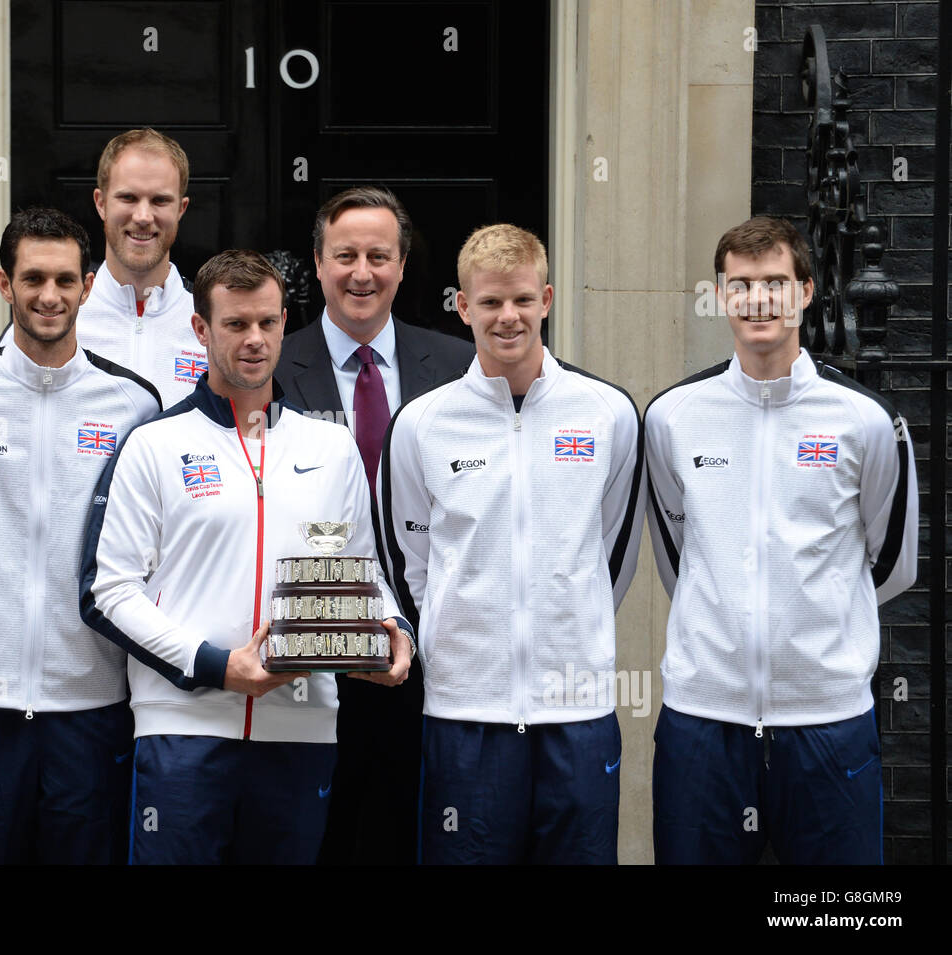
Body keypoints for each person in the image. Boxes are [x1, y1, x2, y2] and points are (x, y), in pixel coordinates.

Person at [79, 249, 415, 864]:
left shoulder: (331, 446)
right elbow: (109, 591)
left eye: (267, 322)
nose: (254, 339)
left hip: (303, 731)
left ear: (285, 322)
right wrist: (215, 665)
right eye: (235, 324)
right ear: (201, 329)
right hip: (182, 730)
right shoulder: (155, 445)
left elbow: (363, 577)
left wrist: (392, 631)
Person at [644, 215, 918, 864]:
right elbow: (677, 552)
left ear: (806, 290)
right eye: (741, 285)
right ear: (720, 295)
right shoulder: (673, 417)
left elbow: (892, 562)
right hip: (703, 720)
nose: (758, 298)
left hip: (827, 720)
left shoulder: (868, 421)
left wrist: (813, 621)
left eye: (774, 282)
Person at [380, 224, 643, 864]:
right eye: (491, 302)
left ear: (547, 299)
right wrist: (449, 634)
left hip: (576, 711)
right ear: (463, 307)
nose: (509, 317)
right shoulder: (421, 424)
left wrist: (565, 622)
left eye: (523, 300)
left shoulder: (607, 413)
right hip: (466, 711)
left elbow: (616, 551)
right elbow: (407, 559)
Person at [0, 208, 160, 864]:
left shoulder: (135, 405)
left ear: (87, 285)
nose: (48, 295)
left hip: (90, 708)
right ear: (4, 283)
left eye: (63, 279)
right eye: (31, 279)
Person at [276, 186, 474, 865]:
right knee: (313, 839)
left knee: (407, 834)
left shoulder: (456, 364)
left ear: (403, 262)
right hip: (306, 650)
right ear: (318, 260)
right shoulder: (269, 364)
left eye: (378, 256)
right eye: (345, 255)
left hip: (426, 652)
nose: (362, 272)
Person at [0, 128, 204, 408]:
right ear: (101, 203)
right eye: (128, 198)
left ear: (180, 209)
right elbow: (4, 400)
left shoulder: (212, 322)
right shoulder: (54, 311)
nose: (143, 216)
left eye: (159, 201)